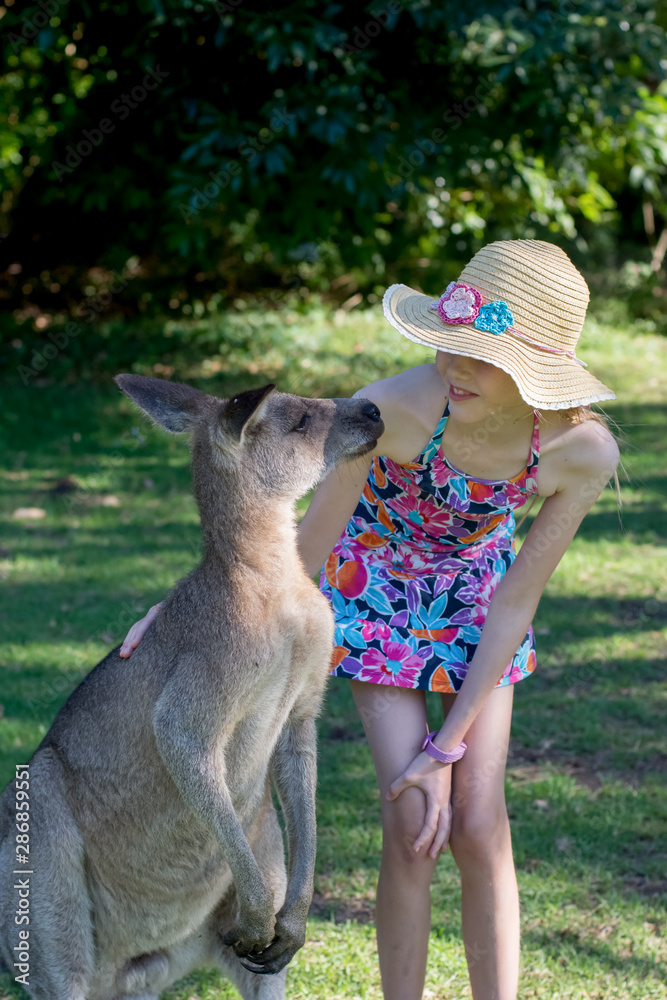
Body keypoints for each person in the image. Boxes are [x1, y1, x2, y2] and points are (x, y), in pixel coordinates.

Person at [119, 239, 620, 1000]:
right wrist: (181, 613)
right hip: (374, 594)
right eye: (449, 348)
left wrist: (447, 745)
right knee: (416, 824)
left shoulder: (578, 453)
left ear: (534, 375)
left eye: (481, 358)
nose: (454, 369)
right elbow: (304, 551)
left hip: (479, 606)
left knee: (480, 824)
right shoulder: (395, 410)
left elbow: (516, 599)